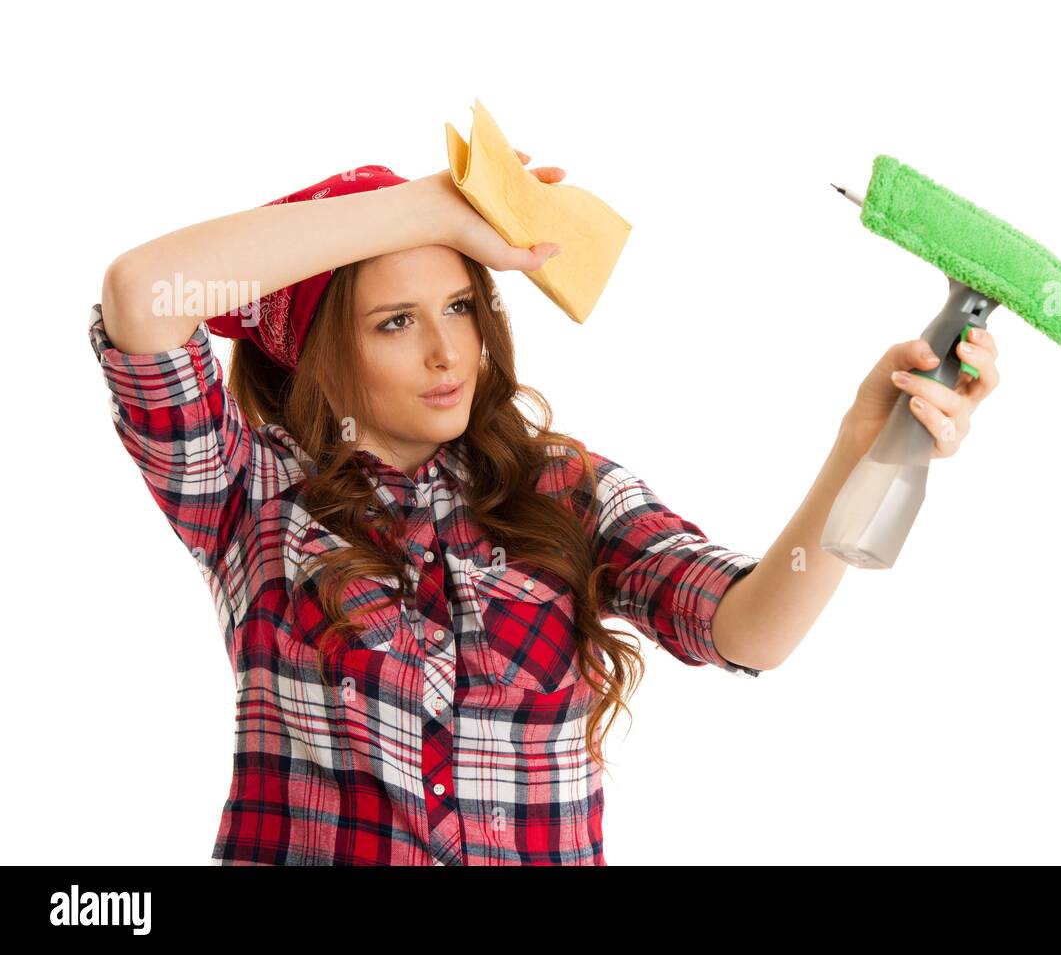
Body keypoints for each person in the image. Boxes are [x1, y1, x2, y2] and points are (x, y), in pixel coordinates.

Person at [89, 151, 1000, 865]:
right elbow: (143, 294)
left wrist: (859, 446)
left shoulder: (562, 489)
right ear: (321, 352)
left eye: (460, 304)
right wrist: (431, 205)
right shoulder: (251, 497)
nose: (450, 352)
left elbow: (751, 629)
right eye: (395, 321)